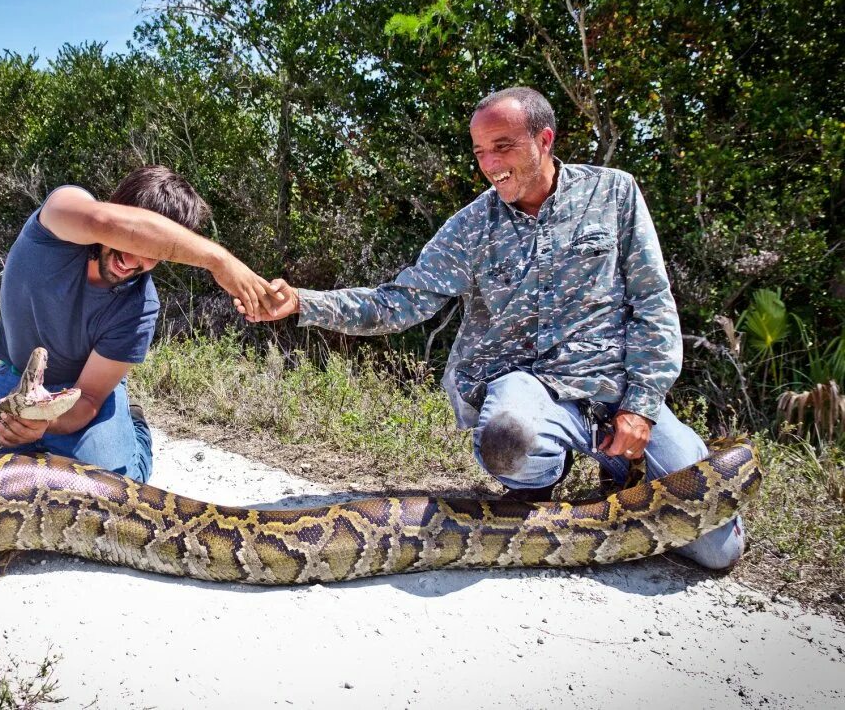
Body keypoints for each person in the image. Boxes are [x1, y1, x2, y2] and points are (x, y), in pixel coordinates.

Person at [239, 87, 744, 569]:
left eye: (502, 146)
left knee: (718, 550)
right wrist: (303, 303)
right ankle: (539, 483)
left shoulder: (613, 193)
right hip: (530, 389)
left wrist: (641, 405)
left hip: (613, 390)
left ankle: (622, 471)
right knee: (507, 436)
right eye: (480, 152)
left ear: (544, 139)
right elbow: (400, 302)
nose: (490, 164)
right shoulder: (471, 226)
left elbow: (653, 303)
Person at [0, 165, 283, 483]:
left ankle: (136, 432)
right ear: (119, 210)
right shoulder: (58, 218)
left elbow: (90, 397)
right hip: (18, 377)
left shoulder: (141, 306)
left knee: (116, 488)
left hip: (81, 391)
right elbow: (102, 220)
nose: (134, 260)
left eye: (156, 254)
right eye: (135, 241)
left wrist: (44, 423)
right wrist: (218, 260)